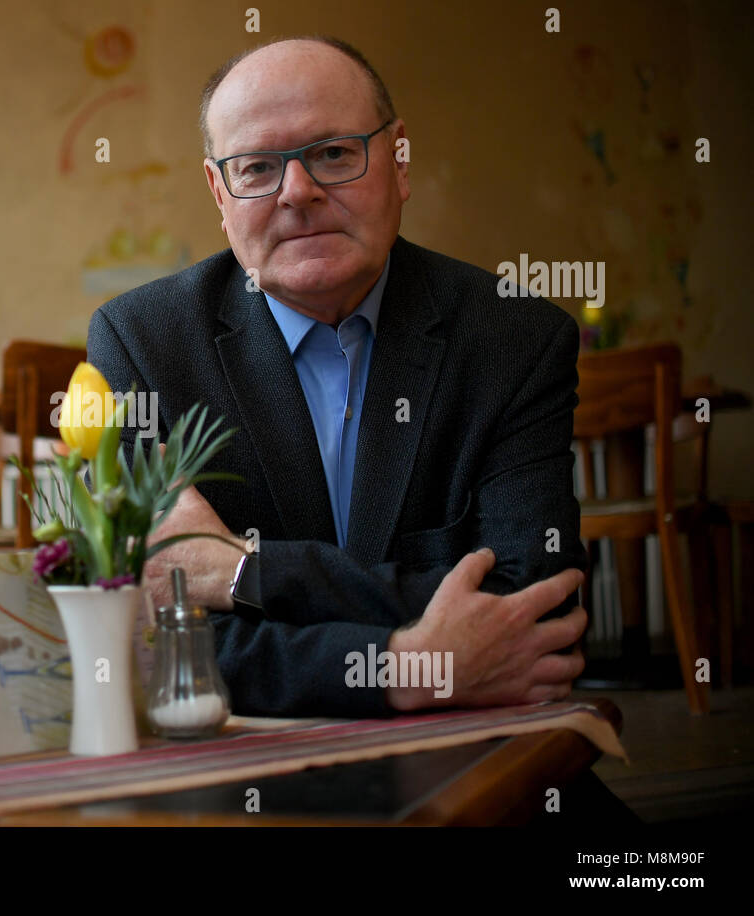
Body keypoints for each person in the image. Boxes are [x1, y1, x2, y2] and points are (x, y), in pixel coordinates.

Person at [87, 36, 590, 719]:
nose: (298, 191)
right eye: (258, 167)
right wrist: (400, 670)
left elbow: (535, 608)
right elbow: (157, 639)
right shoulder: (145, 342)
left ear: (399, 161)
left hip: (479, 758)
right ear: (219, 192)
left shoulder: (514, 340)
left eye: (333, 154)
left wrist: (244, 572)